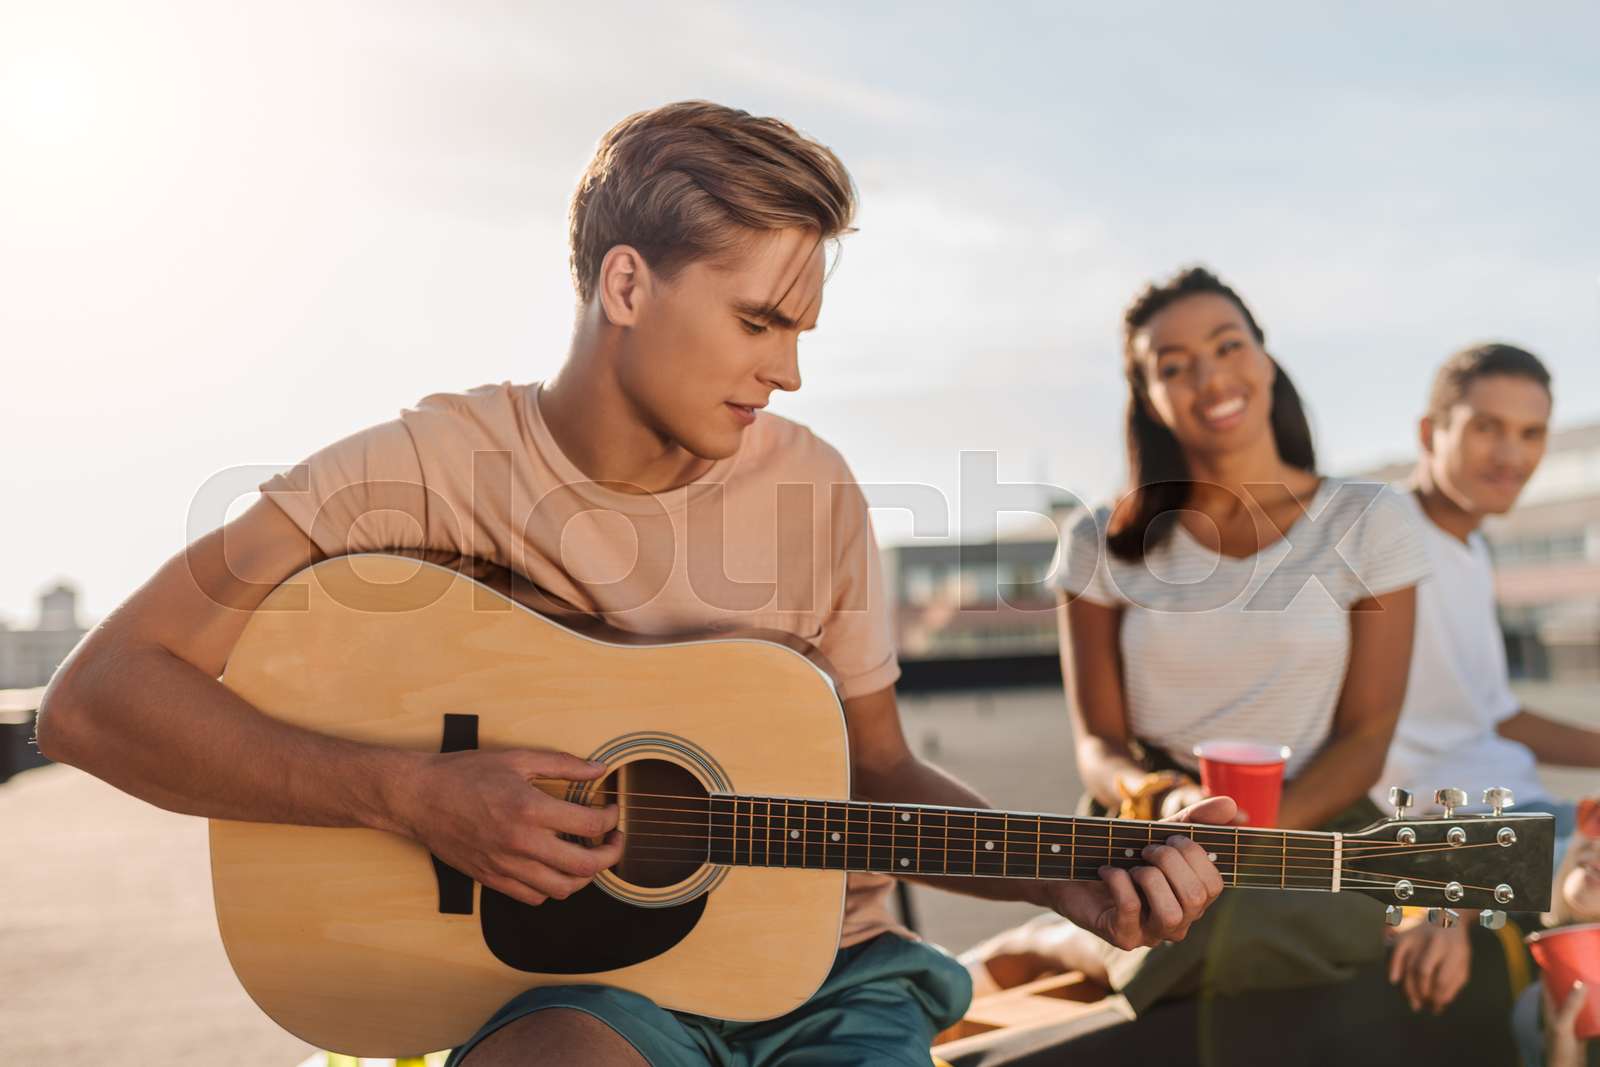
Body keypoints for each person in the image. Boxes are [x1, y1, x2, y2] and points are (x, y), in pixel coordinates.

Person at [34, 102, 1233, 1067]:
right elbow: (94, 700)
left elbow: (876, 771)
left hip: (832, 975)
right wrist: (412, 795)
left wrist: (1070, 873)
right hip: (572, 987)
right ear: (625, 285)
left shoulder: (815, 489)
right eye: (759, 322)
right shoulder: (423, 466)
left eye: (801, 331)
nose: (789, 371)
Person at [966, 265, 1430, 1007]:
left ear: (1265, 356)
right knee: (1191, 925)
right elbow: (1099, 744)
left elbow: (1367, 734)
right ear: (1148, 397)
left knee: (1239, 930)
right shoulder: (1096, 542)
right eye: (1174, 366)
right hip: (1150, 822)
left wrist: (1244, 842)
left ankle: (1063, 947)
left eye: (1228, 345)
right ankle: (1069, 943)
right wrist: (1166, 802)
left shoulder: (1370, 520)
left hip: (1313, 817)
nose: (1210, 378)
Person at [1381, 343, 1600, 1020]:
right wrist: (1449, 893)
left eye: (1531, 433)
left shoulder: (1472, 548)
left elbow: (1493, 714)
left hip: (1525, 810)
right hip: (1457, 826)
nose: (1512, 455)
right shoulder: (1382, 534)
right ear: (1429, 433)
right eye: (1486, 427)